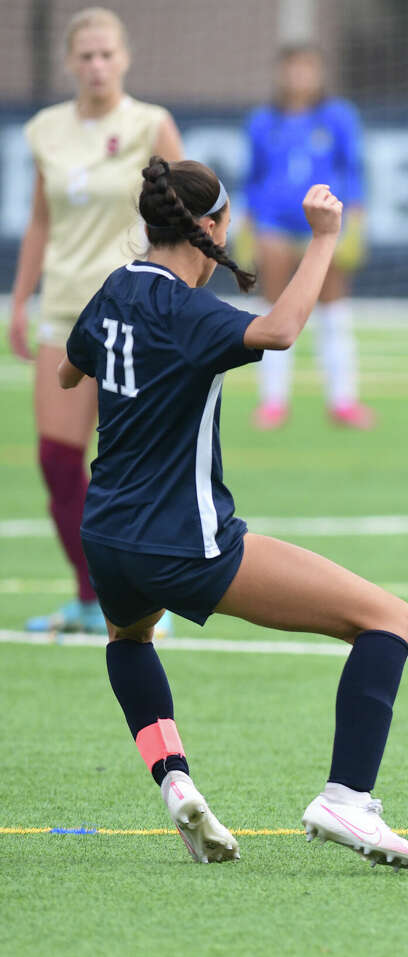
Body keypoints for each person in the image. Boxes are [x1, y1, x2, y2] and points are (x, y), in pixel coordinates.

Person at [58, 156, 408, 870]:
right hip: (185, 542)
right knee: (387, 618)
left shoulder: (116, 290)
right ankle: (347, 796)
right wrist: (323, 239)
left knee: (130, 640)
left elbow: (72, 366)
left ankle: (176, 780)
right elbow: (281, 331)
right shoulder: (187, 312)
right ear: (213, 228)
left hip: (106, 536)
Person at [8, 7, 184, 633]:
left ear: (125, 59)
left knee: (132, 463)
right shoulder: (45, 131)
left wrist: (180, 299)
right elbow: (39, 221)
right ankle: (91, 598)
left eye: (107, 54)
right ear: (70, 63)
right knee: (59, 462)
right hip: (62, 313)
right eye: (86, 56)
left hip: (131, 313)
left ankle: (144, 603)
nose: (97, 65)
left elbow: (186, 212)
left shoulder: (149, 124)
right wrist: (21, 299)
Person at [241, 43, 372, 430]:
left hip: (326, 226)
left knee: (334, 313)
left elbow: (354, 171)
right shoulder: (263, 121)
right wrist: (248, 228)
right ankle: (273, 403)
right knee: (275, 310)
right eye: (292, 69)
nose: (299, 77)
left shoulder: (338, 117)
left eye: (307, 69)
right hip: (275, 226)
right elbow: (253, 177)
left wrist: (356, 224)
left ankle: (343, 401)